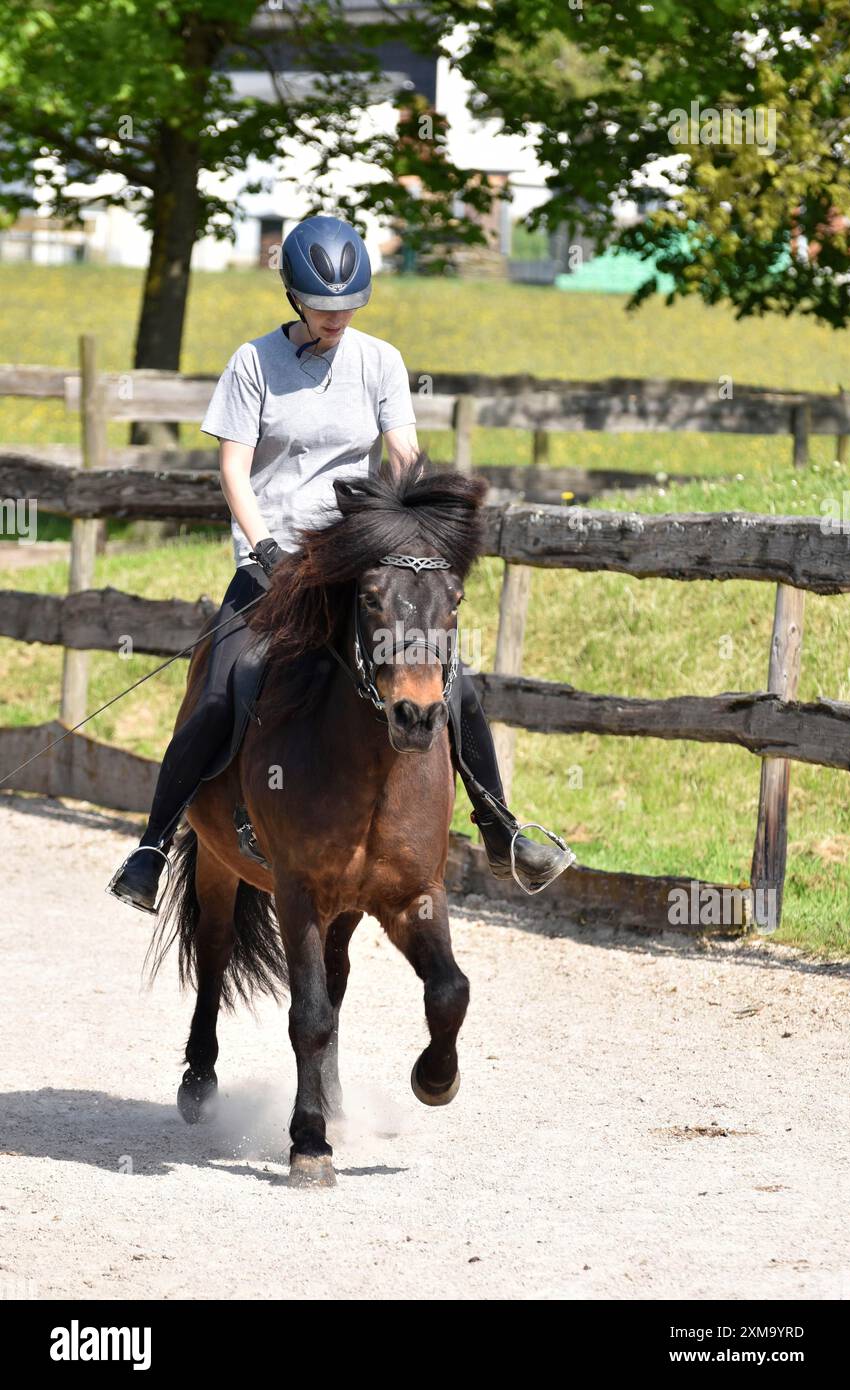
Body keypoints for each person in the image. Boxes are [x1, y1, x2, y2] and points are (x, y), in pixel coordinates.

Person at [108, 214, 574, 912]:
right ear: (295, 298)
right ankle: (153, 844)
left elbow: (404, 454)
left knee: (456, 685)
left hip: (358, 560)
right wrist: (263, 547)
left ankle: (501, 829)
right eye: (324, 307)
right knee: (219, 691)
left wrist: (416, 530)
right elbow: (232, 468)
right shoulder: (253, 363)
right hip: (272, 564)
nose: (336, 318)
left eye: (348, 305)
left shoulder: (379, 361)